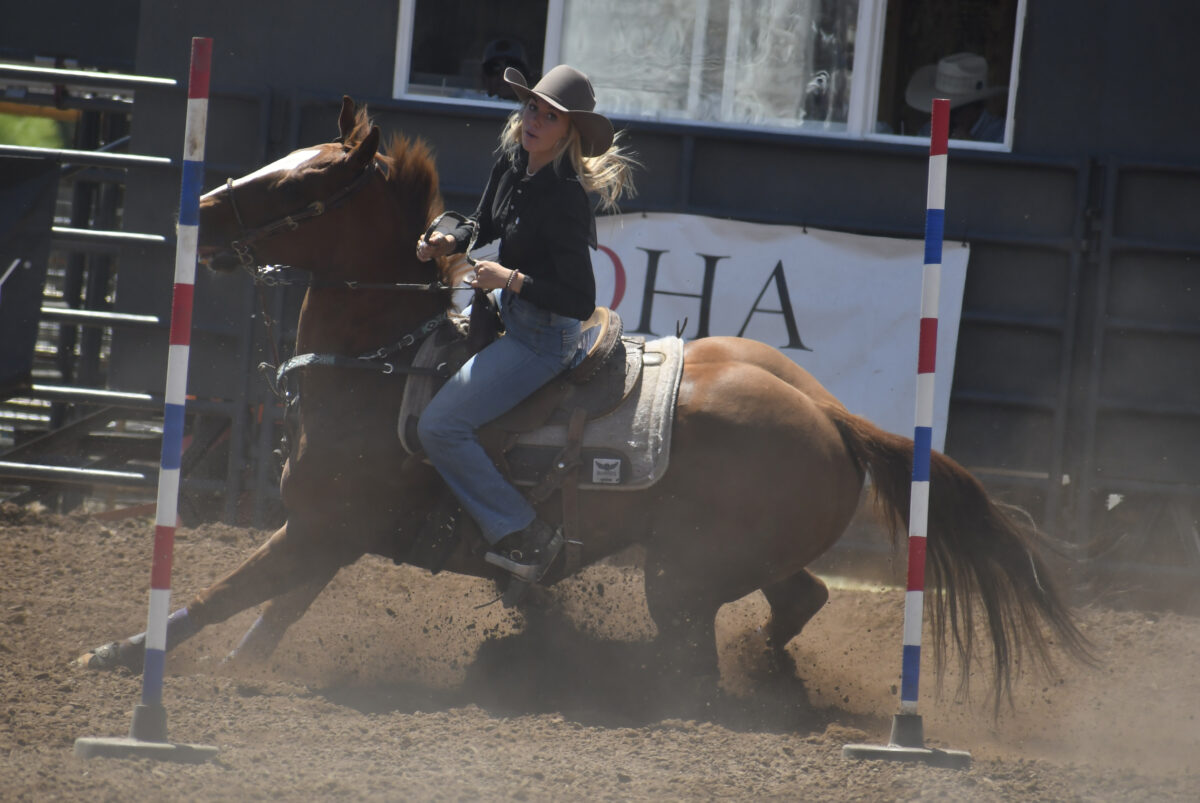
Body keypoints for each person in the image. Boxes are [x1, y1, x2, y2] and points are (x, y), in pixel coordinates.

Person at [415, 64, 637, 583]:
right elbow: (482, 222)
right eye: (532, 107)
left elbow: (582, 301)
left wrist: (509, 279)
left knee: (440, 426)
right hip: (507, 318)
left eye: (550, 115)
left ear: (568, 132)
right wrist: (449, 237)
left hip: (542, 342)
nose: (534, 119)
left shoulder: (565, 200)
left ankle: (526, 534)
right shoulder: (515, 162)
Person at [905, 52, 1007, 142]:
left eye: (955, 110)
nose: (948, 116)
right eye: (941, 107)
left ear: (977, 106)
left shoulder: (1002, 135)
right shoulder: (929, 130)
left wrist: (973, 149)